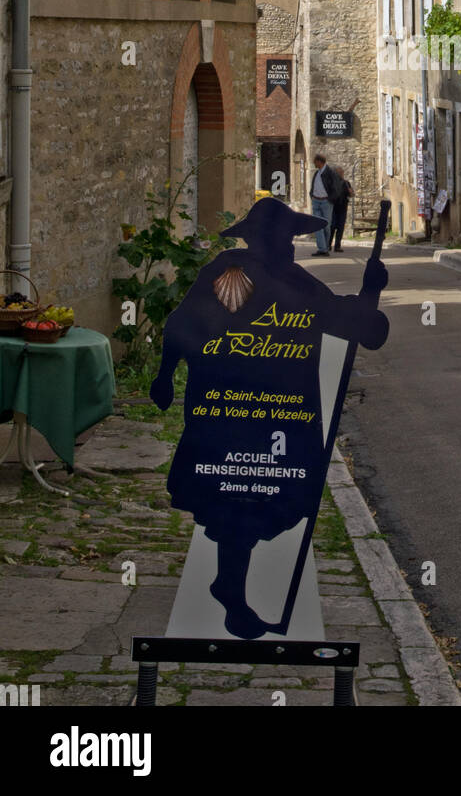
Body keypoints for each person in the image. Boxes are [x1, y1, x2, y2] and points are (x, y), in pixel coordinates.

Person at [150, 198, 388, 639]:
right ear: (263, 240)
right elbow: (183, 324)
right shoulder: (235, 275)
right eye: (286, 239)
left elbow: (356, 327)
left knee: (258, 501)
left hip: (270, 416)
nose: (292, 247)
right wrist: (164, 376)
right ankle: (233, 595)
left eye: (293, 240)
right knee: (235, 497)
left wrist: (371, 290)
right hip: (235, 410)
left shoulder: (296, 284)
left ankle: (229, 585)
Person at [309, 154, 339, 256]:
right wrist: (312, 195)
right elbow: (313, 186)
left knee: (326, 226)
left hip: (326, 202)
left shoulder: (330, 173)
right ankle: (322, 249)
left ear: (319, 161)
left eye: (315, 161)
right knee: (317, 225)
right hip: (316, 201)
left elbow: (336, 187)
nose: (314, 163)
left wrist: (331, 199)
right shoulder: (316, 173)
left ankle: (325, 247)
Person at [328, 167, 353, 253]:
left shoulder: (346, 183)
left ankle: (337, 246)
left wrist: (351, 192)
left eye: (342, 173)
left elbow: (352, 194)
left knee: (340, 227)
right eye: (339, 173)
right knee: (332, 226)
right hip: (333, 208)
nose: (341, 174)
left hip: (342, 208)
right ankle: (328, 245)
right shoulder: (331, 183)